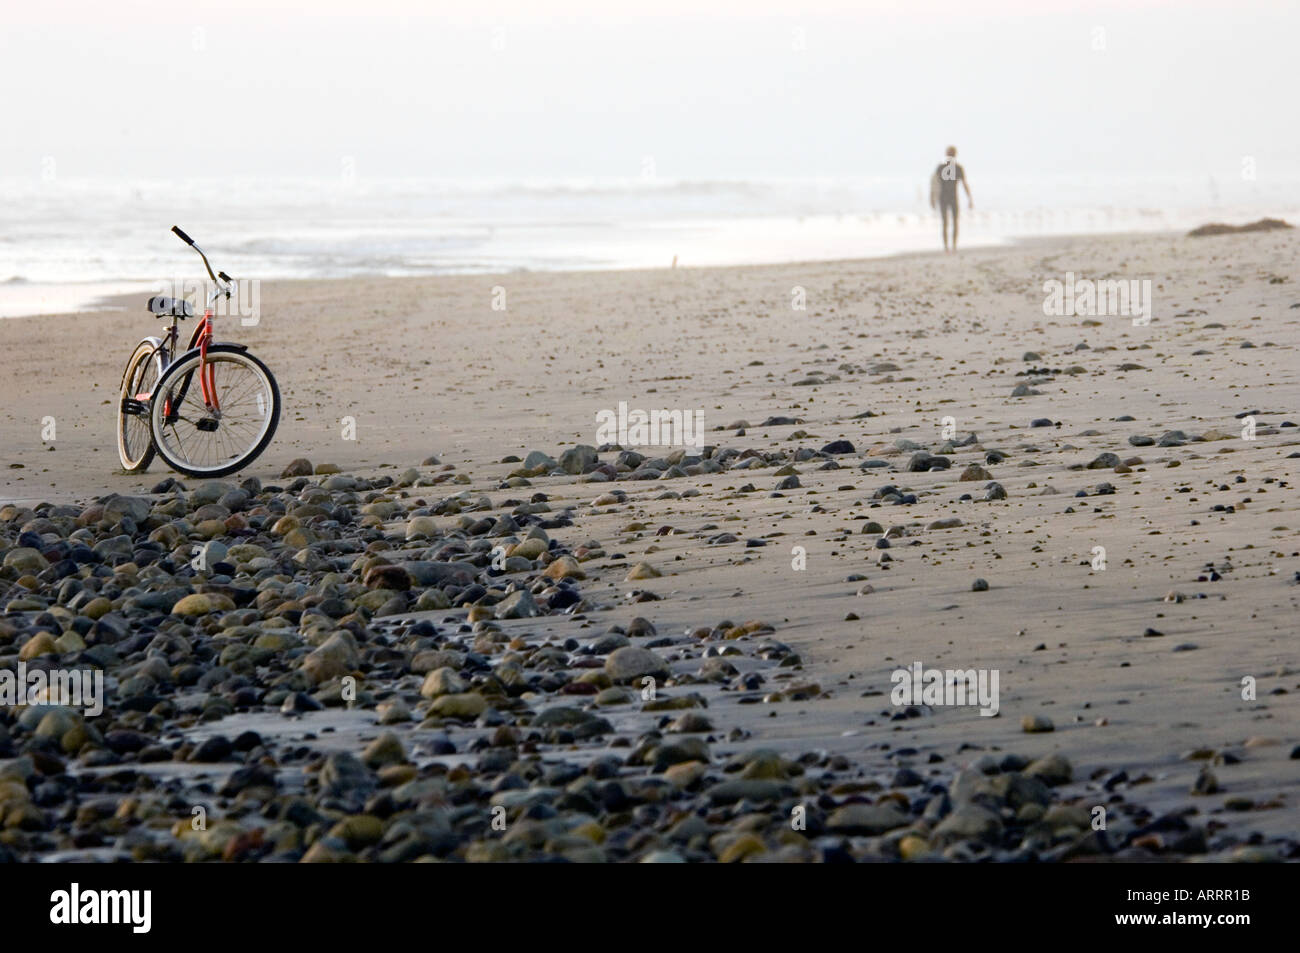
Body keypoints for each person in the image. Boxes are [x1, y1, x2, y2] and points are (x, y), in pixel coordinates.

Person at [930, 146, 973, 252]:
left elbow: (934, 185)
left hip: (944, 198)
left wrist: (932, 198)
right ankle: (952, 246)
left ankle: (947, 247)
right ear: (955, 155)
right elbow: (964, 184)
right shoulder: (958, 168)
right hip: (952, 198)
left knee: (946, 223)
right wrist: (969, 198)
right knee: (954, 222)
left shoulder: (941, 167)